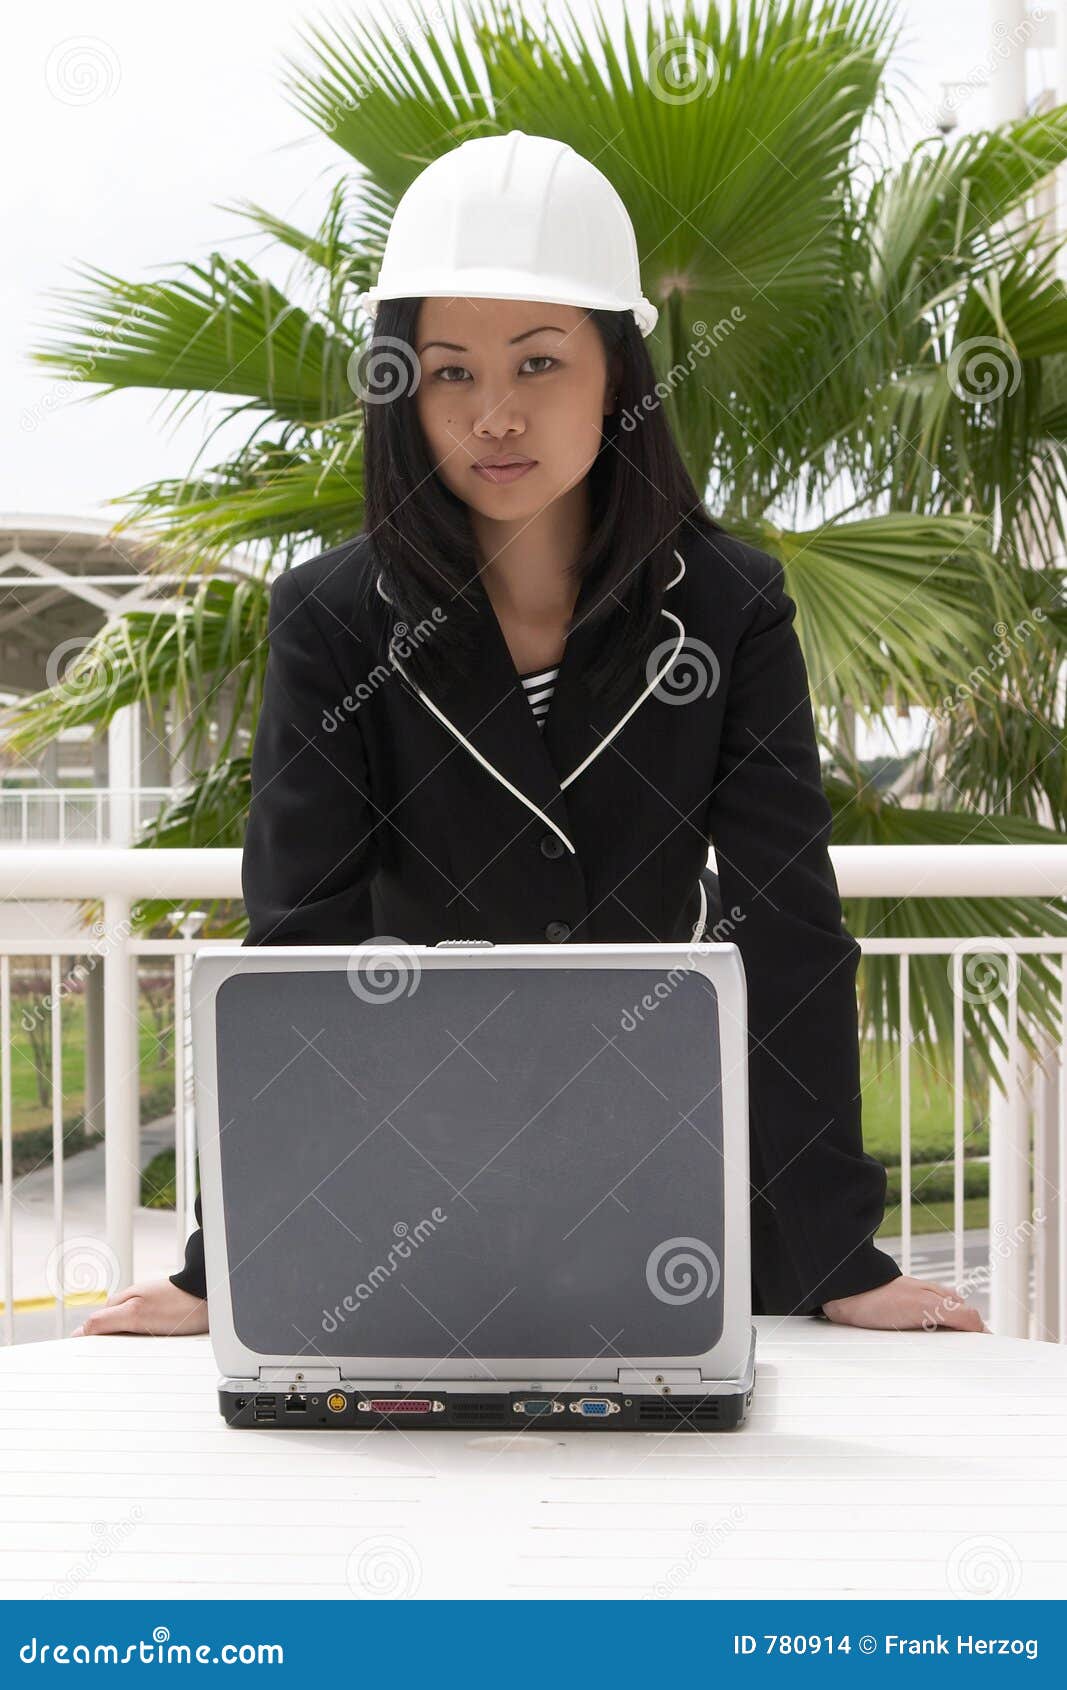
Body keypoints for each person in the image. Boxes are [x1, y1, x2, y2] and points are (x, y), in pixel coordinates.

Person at [72, 130, 985, 1340]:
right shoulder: (334, 618)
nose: (494, 415)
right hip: (404, 1183)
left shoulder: (728, 605)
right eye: (449, 372)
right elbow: (297, 951)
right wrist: (226, 1261)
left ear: (616, 373)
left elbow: (787, 926)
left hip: (660, 1165)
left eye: (539, 362)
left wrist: (835, 1254)